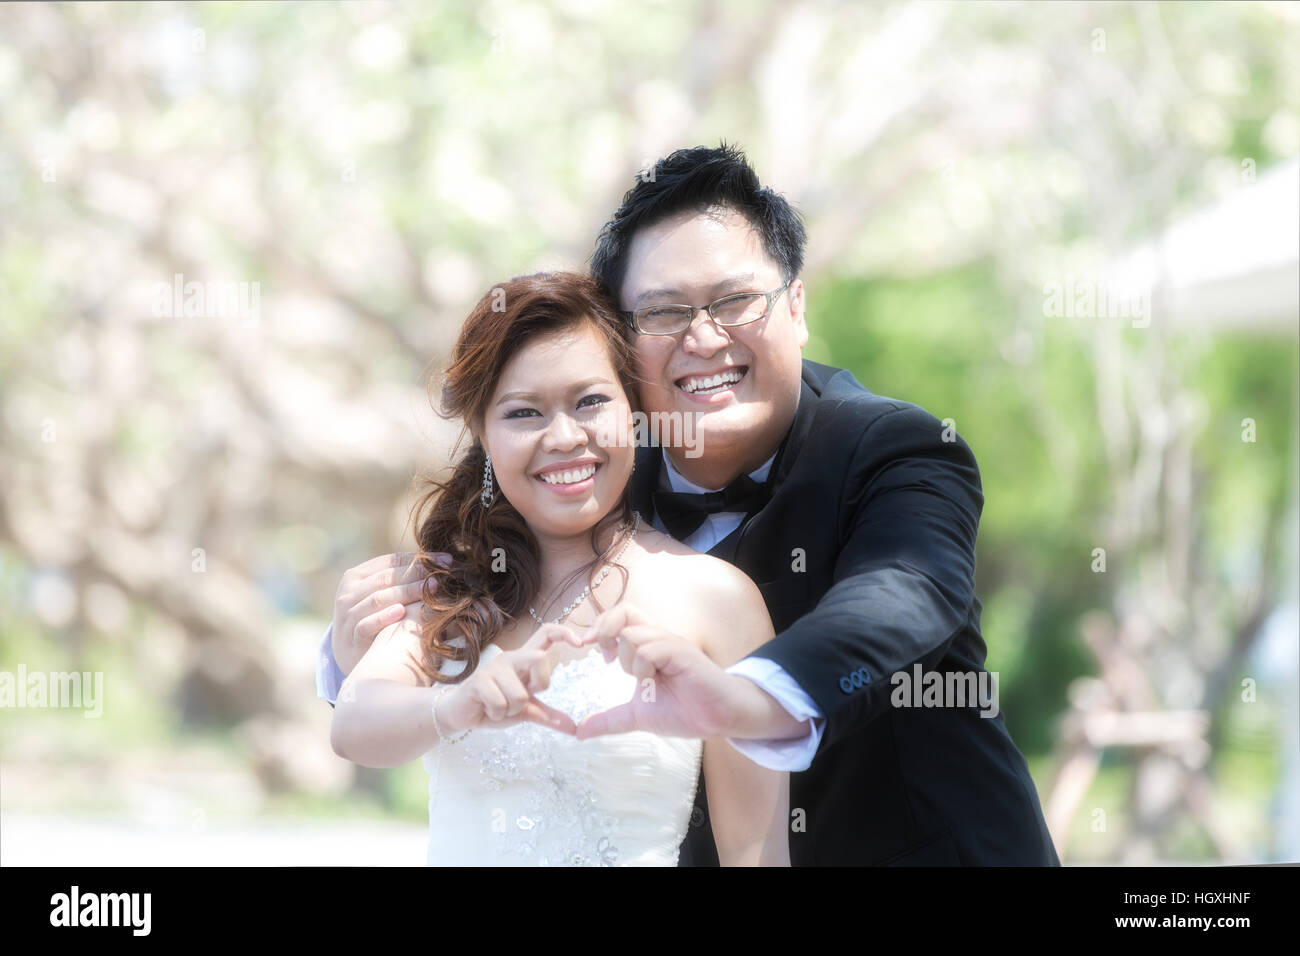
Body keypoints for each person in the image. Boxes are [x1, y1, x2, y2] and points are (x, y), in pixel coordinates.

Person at [323, 143, 1059, 866]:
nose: (705, 338)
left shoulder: (894, 448)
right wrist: (363, 649)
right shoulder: (593, 464)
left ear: (797, 306)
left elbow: (902, 593)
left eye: (735, 300)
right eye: (666, 312)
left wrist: (745, 698)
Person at [328, 270, 789, 866]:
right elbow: (355, 724)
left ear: (633, 410)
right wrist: (458, 706)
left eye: (591, 401)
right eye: (524, 414)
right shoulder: (448, 585)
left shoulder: (715, 598)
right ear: (484, 436)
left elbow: (757, 853)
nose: (565, 437)